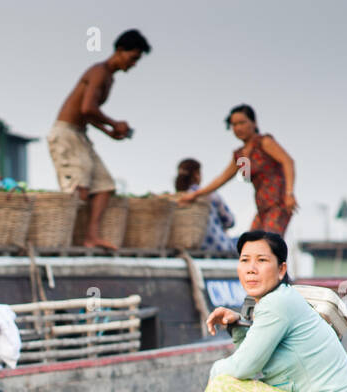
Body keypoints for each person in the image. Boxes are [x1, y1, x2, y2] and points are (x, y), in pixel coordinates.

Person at [197, 230, 347, 392]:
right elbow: (254, 360)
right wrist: (236, 325)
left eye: (262, 260)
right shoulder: (278, 300)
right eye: (245, 260)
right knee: (226, 385)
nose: (251, 269)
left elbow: (243, 368)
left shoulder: (277, 303)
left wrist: (214, 379)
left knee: (223, 387)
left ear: (281, 269)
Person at [47, 28, 151, 250]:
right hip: (66, 133)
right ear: (120, 51)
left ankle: (91, 236)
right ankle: (63, 238)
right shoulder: (99, 72)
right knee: (78, 188)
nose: (133, 64)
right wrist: (114, 124)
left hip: (80, 134)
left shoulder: (109, 77)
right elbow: (87, 107)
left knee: (104, 186)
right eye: (132, 58)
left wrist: (109, 132)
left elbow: (87, 113)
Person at [177, 104, 297, 235]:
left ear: (254, 123)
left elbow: (288, 162)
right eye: (234, 124)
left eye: (242, 123)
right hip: (262, 206)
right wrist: (195, 195)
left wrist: (289, 193)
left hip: (278, 203)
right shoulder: (240, 155)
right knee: (250, 245)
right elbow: (222, 179)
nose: (238, 128)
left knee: (269, 243)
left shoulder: (264, 142)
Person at [175, 158, 237, 256]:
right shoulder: (209, 195)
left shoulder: (175, 199)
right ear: (197, 175)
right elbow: (230, 221)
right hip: (218, 246)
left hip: (187, 248)